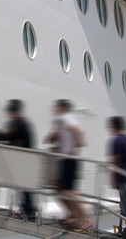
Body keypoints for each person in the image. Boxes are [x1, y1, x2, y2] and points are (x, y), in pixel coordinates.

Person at [44, 99, 91, 231]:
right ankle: (73, 215)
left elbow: (78, 131)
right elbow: (58, 137)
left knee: (69, 192)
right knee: (58, 188)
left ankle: (86, 219)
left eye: (56, 107)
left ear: (62, 107)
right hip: (64, 159)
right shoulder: (62, 120)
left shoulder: (66, 118)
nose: (54, 109)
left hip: (69, 159)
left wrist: (74, 150)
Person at [0, 99, 36, 219]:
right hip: (26, 159)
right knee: (24, 186)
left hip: (23, 159)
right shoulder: (22, 122)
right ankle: (26, 209)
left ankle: (28, 211)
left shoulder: (19, 123)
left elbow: (18, 142)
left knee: (25, 186)